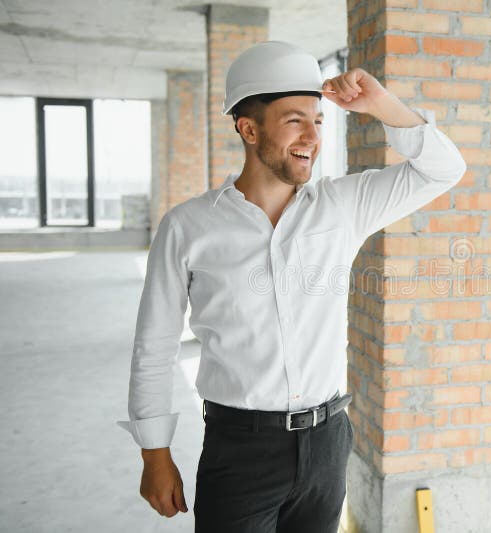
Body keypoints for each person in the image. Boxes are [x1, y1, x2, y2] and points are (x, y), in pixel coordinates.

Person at [116, 40, 466, 532]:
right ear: (249, 129)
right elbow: (153, 345)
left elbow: (445, 169)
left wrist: (382, 104)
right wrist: (154, 453)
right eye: (295, 120)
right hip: (240, 449)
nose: (312, 136)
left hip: (328, 443)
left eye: (318, 121)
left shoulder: (342, 206)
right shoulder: (188, 227)